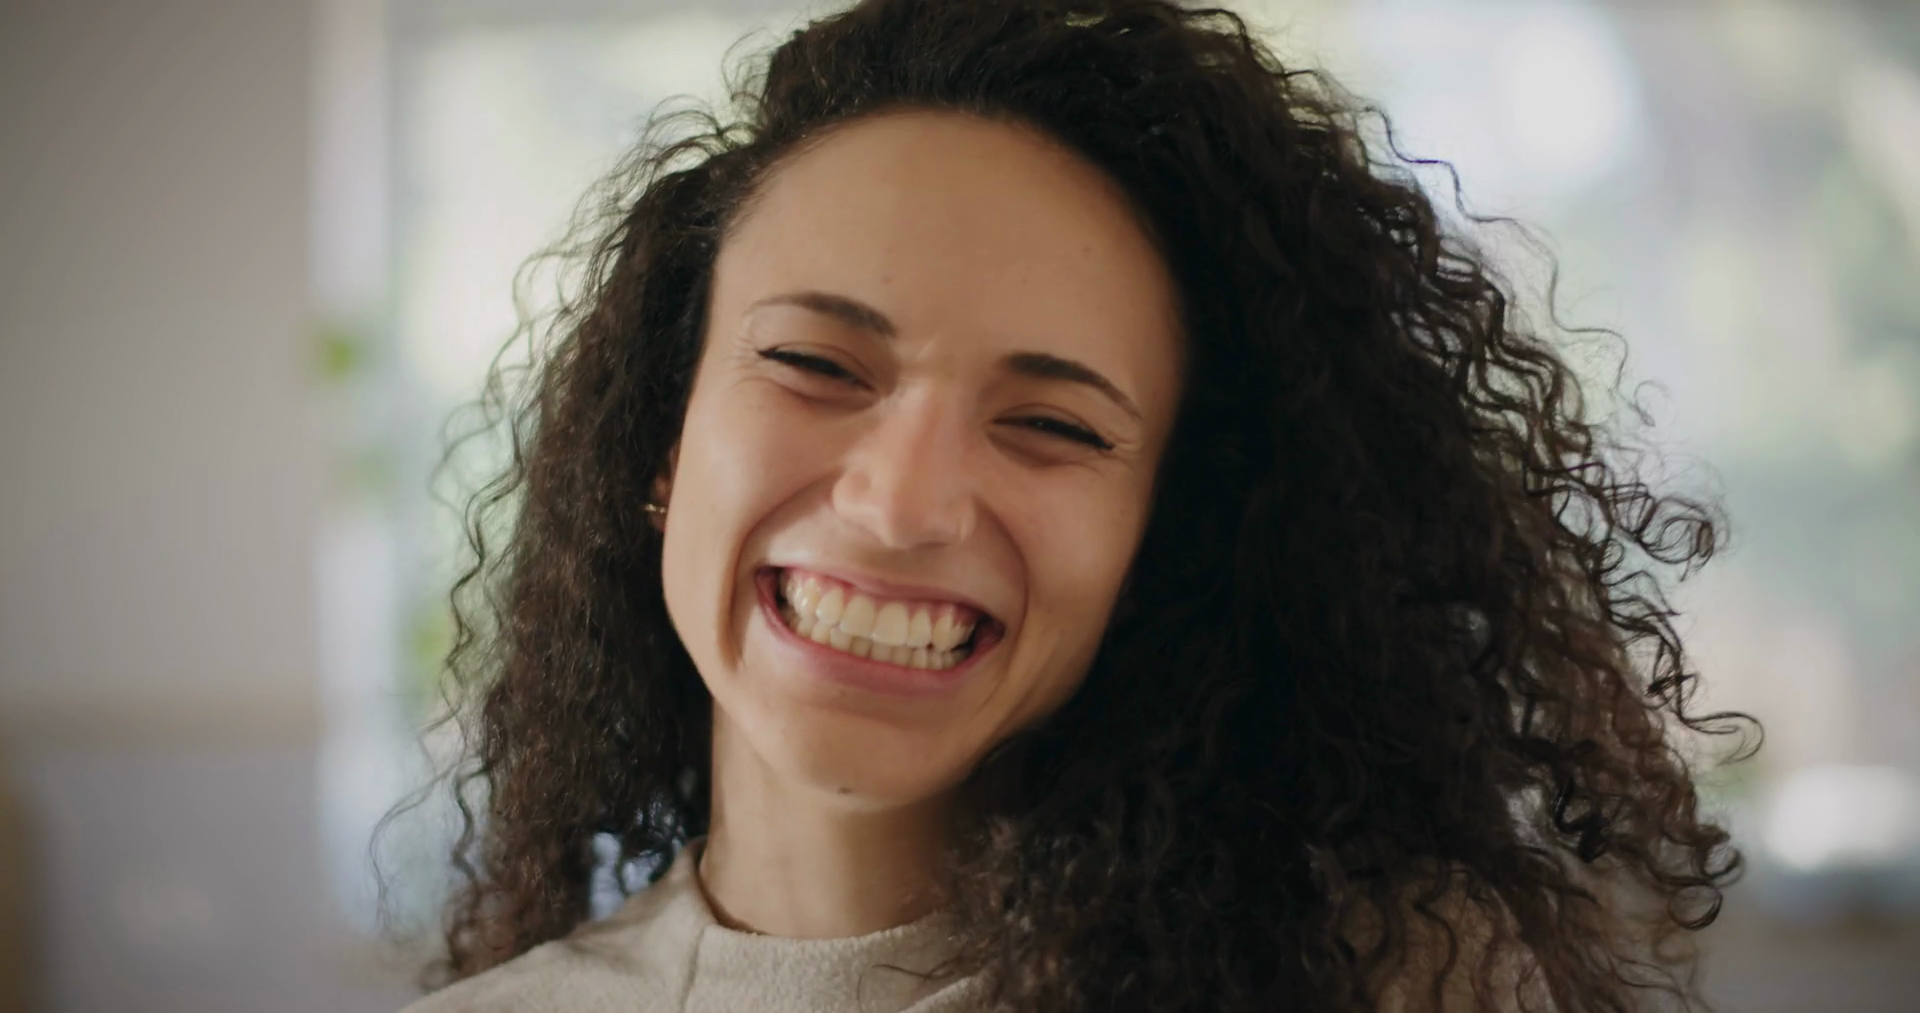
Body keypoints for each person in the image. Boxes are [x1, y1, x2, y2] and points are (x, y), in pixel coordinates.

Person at [398, 0, 1752, 1009]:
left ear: (1165, 534)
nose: (901, 503)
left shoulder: (1391, 984)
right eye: (814, 364)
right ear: (659, 446)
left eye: (1052, 425)